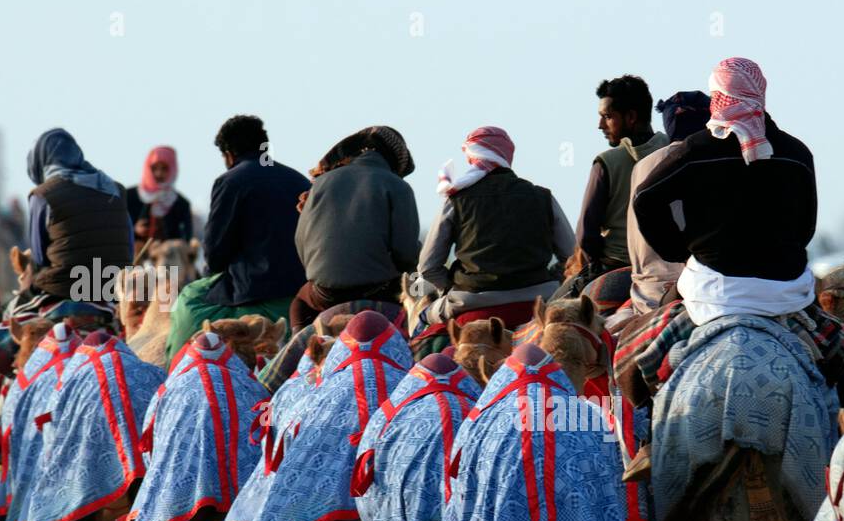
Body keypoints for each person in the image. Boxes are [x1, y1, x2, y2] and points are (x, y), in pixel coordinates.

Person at [617, 58, 844, 478]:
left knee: (638, 363)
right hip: (785, 296)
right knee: (835, 356)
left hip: (712, 294)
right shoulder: (797, 154)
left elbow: (644, 201)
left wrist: (681, 249)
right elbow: (808, 225)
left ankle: (652, 441)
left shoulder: (696, 151)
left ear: (717, 101)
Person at [165, 115, 309, 361]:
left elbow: (215, 251)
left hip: (253, 290)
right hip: (302, 287)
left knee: (189, 301)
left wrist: (212, 272)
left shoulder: (230, 181)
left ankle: (176, 375)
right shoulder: (299, 179)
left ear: (229, 154)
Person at [416, 126, 575, 330]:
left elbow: (428, 268)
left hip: (471, 301)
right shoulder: (543, 196)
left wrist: (451, 288)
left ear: (472, 157)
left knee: (420, 322)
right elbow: (572, 256)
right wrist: (552, 278)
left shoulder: (456, 199)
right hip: (540, 298)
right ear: (507, 157)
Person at [290, 126, 420, 330]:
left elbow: (301, 243)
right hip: (379, 290)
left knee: (299, 305)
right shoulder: (397, 186)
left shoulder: (320, 183)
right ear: (394, 161)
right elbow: (406, 253)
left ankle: (301, 350)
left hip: (324, 293)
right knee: (418, 294)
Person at [620, 90, 711, 322]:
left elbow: (588, 235)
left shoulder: (641, 166)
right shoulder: (716, 160)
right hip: (707, 291)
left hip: (647, 295)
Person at [22, 128, 133, 304]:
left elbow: (39, 257)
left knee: (5, 314)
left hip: (64, 289)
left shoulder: (42, 195)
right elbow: (129, 247)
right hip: (115, 289)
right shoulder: (116, 189)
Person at [576, 75, 668, 281]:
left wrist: (595, 264)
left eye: (607, 116)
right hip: (673, 268)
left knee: (554, 306)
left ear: (631, 117)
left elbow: (586, 234)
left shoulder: (606, 163)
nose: (600, 125)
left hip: (618, 267)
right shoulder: (676, 149)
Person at [126, 146, 193, 243]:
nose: (159, 173)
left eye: (164, 169)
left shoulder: (181, 203)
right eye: (154, 168)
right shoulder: (129, 196)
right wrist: (134, 230)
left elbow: (186, 238)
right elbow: (116, 229)